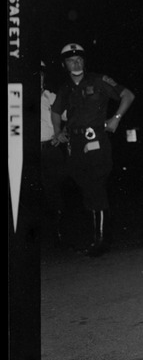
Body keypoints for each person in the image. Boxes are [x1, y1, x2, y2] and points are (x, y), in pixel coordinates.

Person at [50, 43, 135, 256]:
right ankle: (97, 238)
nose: (76, 63)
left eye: (79, 59)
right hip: (75, 144)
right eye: (71, 60)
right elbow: (56, 111)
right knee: (86, 186)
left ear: (84, 61)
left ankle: (101, 241)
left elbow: (128, 95)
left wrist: (116, 118)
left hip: (95, 138)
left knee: (95, 184)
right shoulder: (65, 88)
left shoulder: (98, 80)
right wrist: (57, 130)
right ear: (65, 64)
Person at [40, 60, 66, 241]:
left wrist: (64, 132)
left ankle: (58, 234)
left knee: (54, 192)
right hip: (24, 153)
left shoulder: (50, 97)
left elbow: (73, 115)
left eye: (40, 74)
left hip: (50, 149)